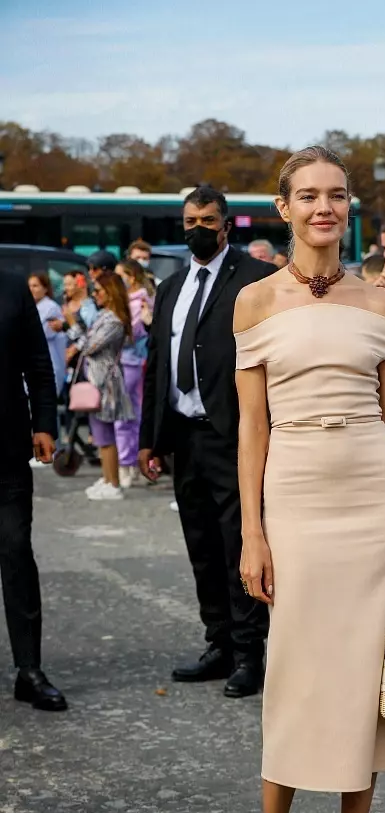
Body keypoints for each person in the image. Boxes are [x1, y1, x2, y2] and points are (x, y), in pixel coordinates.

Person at [234, 145, 385, 813]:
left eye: (337, 195)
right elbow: (251, 426)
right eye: (309, 195)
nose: (325, 206)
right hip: (297, 493)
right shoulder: (254, 303)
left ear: (350, 208)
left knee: (361, 686)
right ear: (283, 208)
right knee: (292, 673)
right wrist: (253, 531)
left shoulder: (383, 303)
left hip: (372, 497)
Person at [138, 185, 275, 699]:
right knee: (199, 544)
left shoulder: (256, 279)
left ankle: (249, 653)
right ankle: (216, 642)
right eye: (190, 219)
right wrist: (151, 440)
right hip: (183, 435)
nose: (197, 228)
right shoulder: (169, 288)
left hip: (234, 435)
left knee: (239, 542)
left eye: (208, 220)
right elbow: (156, 365)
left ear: (226, 224)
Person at [0, 269, 66, 710]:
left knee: (16, 551)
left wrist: (44, 423)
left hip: (5, 447)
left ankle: (29, 669)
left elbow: (38, 366)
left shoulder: (11, 287)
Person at [69, 272, 134, 501]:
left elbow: (89, 346)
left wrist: (73, 327)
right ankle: (107, 479)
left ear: (111, 292)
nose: (95, 294)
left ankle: (113, 483)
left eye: (98, 290)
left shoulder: (114, 320)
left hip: (105, 383)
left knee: (106, 436)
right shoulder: (104, 316)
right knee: (100, 435)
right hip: (97, 381)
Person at [115, 258, 155, 488]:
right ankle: (130, 462)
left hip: (132, 361)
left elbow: (131, 332)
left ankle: (129, 463)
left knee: (127, 415)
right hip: (129, 361)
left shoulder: (139, 300)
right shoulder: (132, 298)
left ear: (130, 276)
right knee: (132, 414)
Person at [27, 271, 68, 399]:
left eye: (35, 286)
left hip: (50, 363)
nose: (31, 289)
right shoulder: (31, 307)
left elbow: (40, 333)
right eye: (29, 286)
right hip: (34, 365)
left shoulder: (51, 308)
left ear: (45, 288)